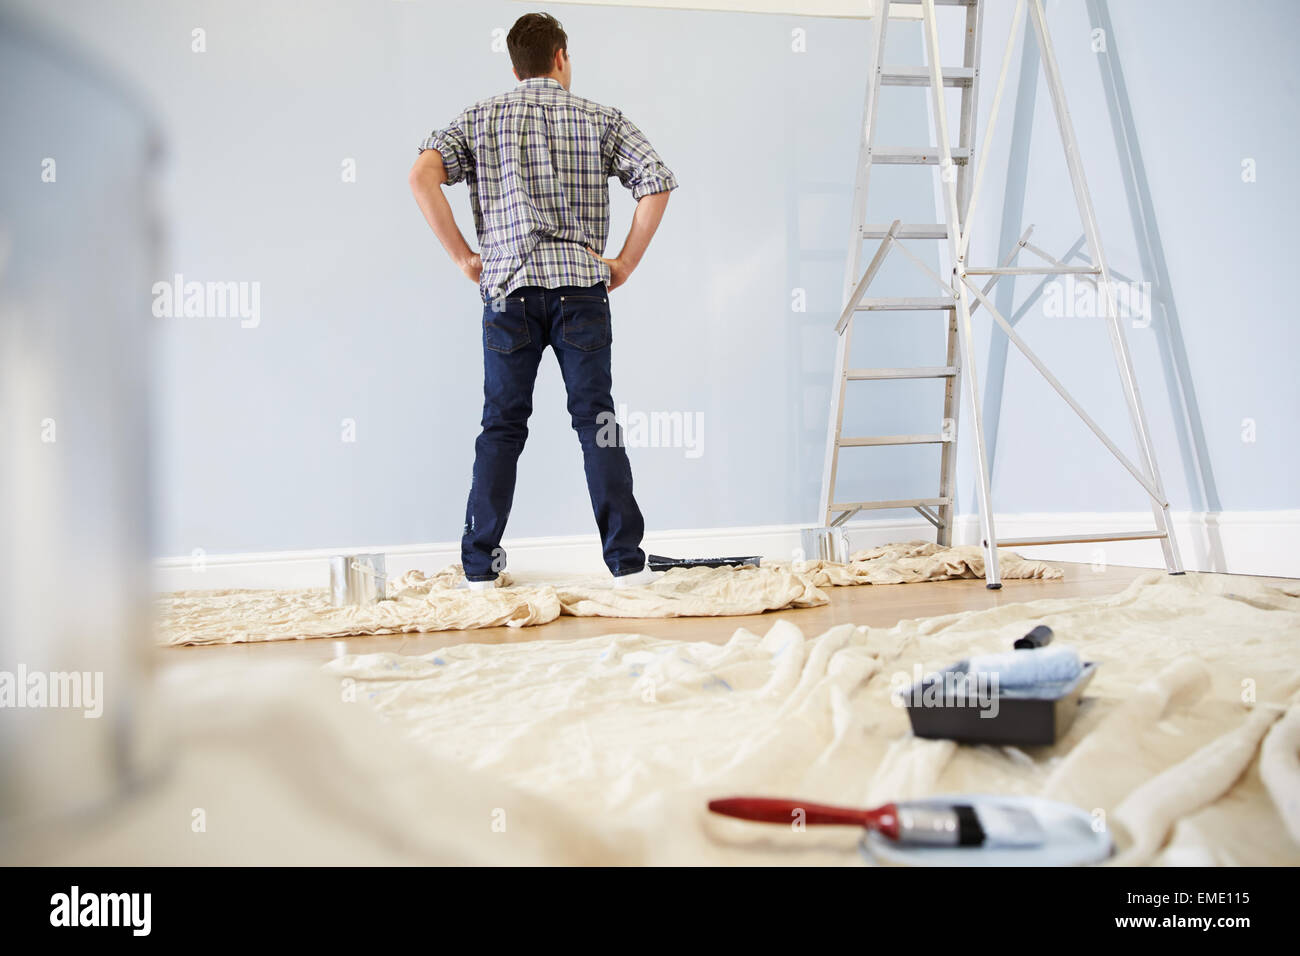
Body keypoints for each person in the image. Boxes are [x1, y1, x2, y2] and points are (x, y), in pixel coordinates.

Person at [409, 12, 677, 589]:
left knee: (501, 427)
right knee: (596, 422)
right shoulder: (601, 118)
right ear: (562, 57)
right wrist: (624, 263)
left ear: (515, 66)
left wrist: (463, 257)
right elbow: (655, 182)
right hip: (581, 290)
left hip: (508, 293)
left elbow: (421, 176)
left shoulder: (479, 118)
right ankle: (627, 566)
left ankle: (480, 569)